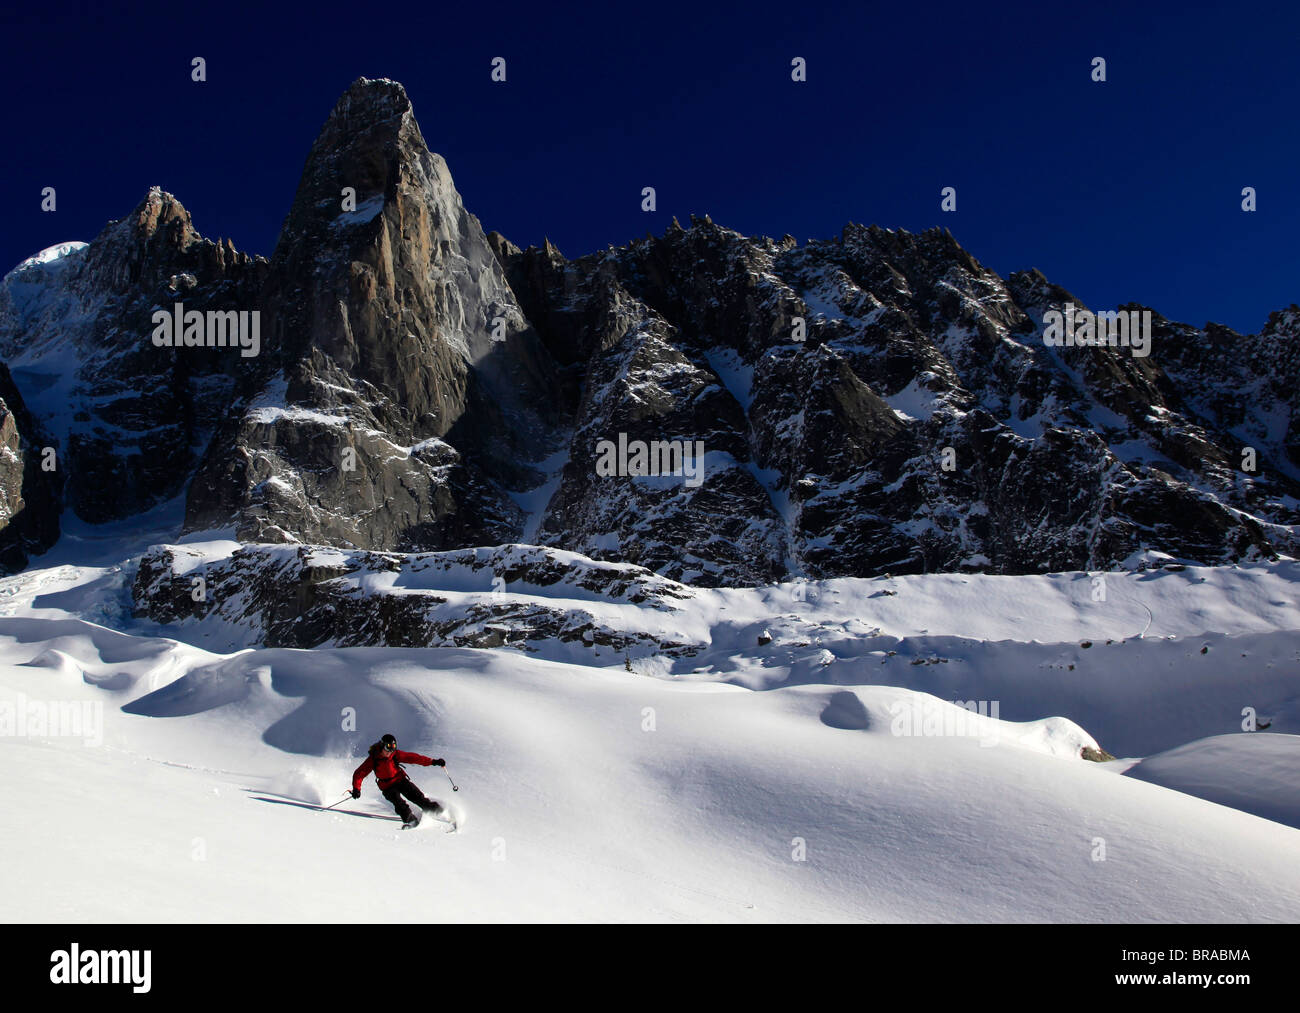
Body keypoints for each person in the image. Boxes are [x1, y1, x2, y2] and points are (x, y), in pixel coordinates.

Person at [351, 733, 446, 828]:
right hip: (387, 786)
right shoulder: (374, 759)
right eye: (387, 749)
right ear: (381, 746)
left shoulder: (395, 755)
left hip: (400, 780)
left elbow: (414, 758)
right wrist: (356, 789)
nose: (389, 752)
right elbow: (359, 773)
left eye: (392, 749)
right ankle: (411, 821)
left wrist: (433, 762)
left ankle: (439, 812)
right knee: (399, 803)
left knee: (417, 796)